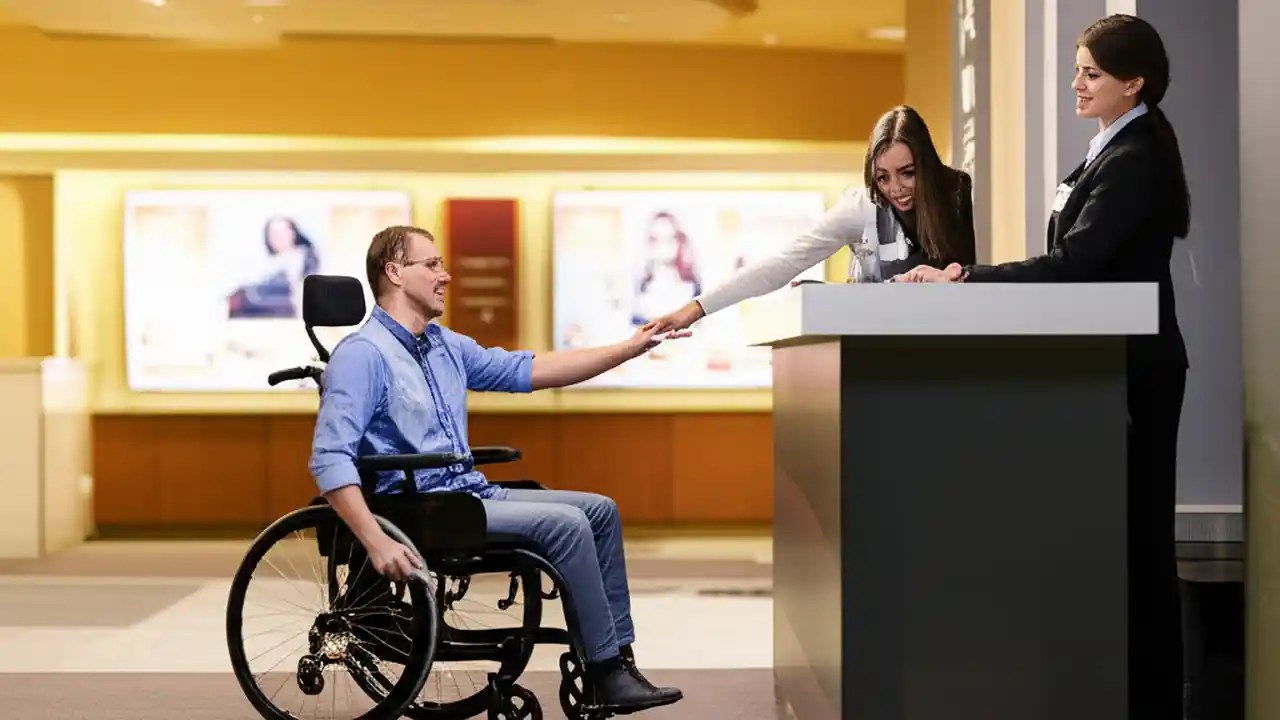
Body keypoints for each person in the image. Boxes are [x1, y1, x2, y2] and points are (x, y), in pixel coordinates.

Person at [894, 14, 1190, 719]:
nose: (1077, 84)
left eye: (1091, 73)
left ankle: (1149, 700)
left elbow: (1076, 265)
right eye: (1078, 70)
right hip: (1105, 364)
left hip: (1134, 369)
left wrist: (967, 277)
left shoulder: (1136, 154)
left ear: (1134, 83)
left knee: (1139, 542)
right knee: (1118, 539)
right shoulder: (1108, 150)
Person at [309, 224, 687, 714]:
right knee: (568, 525)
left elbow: (531, 370)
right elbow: (329, 457)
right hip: (416, 507)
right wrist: (375, 541)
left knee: (599, 511)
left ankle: (616, 661)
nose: (446, 276)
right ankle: (604, 670)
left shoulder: (445, 345)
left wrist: (630, 347)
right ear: (395, 272)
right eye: (433, 265)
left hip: (464, 495)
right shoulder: (361, 356)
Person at [643, 105, 975, 333]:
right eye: (882, 177)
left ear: (926, 167)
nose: (895, 189)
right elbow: (783, 263)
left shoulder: (957, 192)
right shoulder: (861, 207)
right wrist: (696, 309)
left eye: (908, 173)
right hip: (872, 345)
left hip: (942, 340)